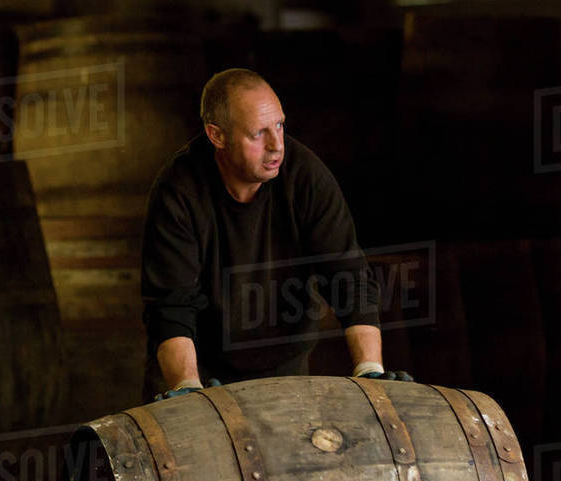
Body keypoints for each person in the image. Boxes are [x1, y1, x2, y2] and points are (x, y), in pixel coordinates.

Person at [141, 68, 411, 401]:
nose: (276, 146)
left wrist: (370, 370)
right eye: (258, 133)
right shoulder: (179, 190)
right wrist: (187, 393)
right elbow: (171, 306)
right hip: (198, 371)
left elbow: (348, 276)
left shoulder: (304, 175)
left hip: (285, 372)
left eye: (280, 126)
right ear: (217, 136)